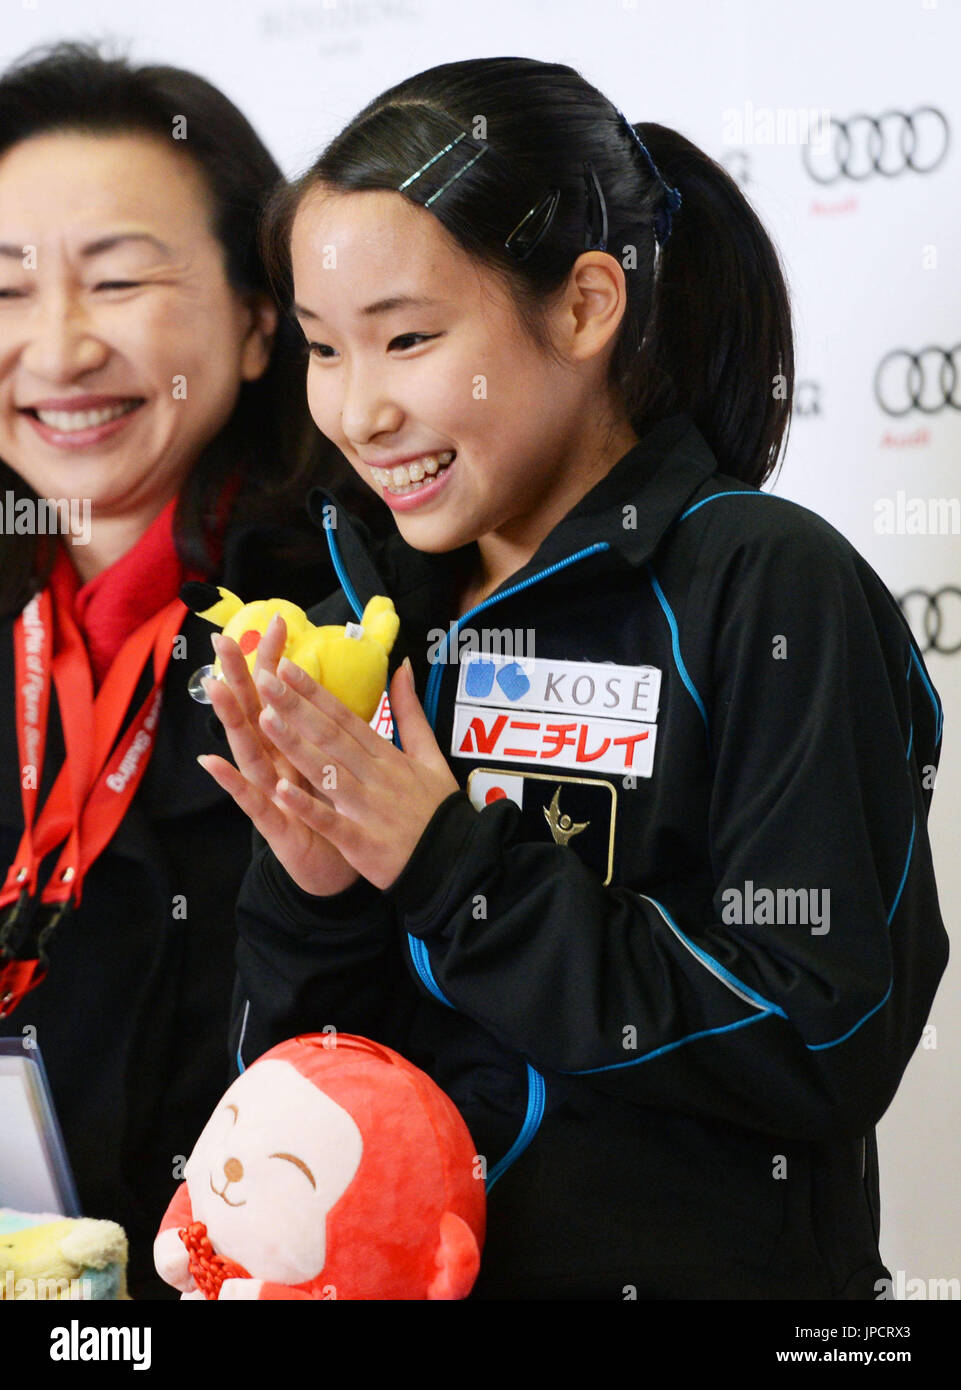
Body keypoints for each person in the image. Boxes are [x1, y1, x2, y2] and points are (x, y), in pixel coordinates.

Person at [200, 57, 948, 1299]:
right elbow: (300, 1106)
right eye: (326, 352)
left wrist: (450, 868)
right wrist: (320, 896)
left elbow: (824, 1032)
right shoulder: (366, 628)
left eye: (408, 339)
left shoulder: (763, 585)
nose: (357, 410)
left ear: (587, 306)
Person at [0, 42, 378, 1299]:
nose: (56, 347)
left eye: (115, 280)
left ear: (263, 319)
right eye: (4, 288)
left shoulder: (351, 622)